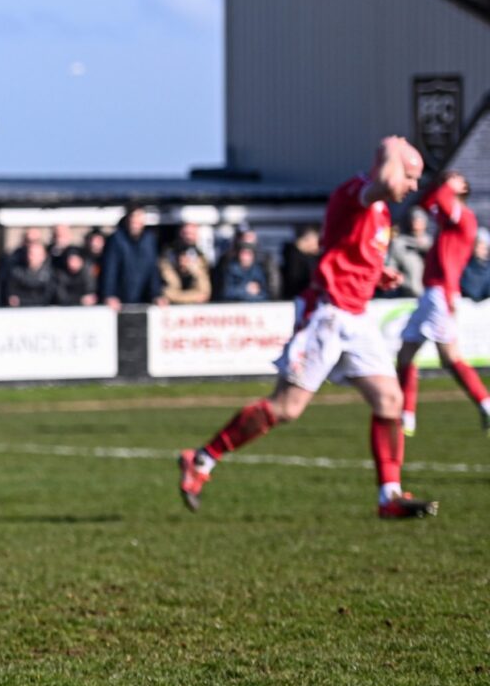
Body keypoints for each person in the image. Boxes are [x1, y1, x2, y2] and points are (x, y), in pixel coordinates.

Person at [179, 138, 435, 521]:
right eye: (411, 177)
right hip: (327, 315)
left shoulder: (381, 212)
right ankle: (201, 459)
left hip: (357, 315)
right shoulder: (357, 193)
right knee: (286, 408)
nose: (413, 186)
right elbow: (382, 184)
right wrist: (391, 150)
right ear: (391, 169)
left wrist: (377, 273)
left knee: (390, 401)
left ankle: (389, 496)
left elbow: (345, 248)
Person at [396, 171, 490, 438]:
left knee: (449, 357)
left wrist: (447, 184)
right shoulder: (449, 217)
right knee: (405, 355)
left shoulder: (464, 217)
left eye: (458, 180)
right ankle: (407, 416)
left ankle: (486, 403)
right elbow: (424, 204)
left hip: (441, 293)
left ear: (462, 192)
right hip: (431, 292)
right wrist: (437, 183)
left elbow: (441, 198)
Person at [100, 205, 162, 307]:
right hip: (121, 297)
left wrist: (156, 294)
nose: (135, 222)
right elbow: (110, 268)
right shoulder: (116, 239)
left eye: (139, 218)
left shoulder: (149, 240)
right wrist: (109, 294)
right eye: (133, 218)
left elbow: (153, 269)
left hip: (143, 297)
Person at [0, 235, 57, 307]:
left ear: (43, 256)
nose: (31, 257)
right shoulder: (16, 273)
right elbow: (12, 297)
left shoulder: (50, 275)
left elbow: (49, 298)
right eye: (30, 253)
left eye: (35, 254)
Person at [387, 206, 429, 297]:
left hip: (427, 294)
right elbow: (391, 266)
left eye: (419, 220)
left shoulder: (432, 244)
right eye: (414, 220)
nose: (416, 223)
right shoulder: (399, 243)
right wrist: (399, 279)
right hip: (405, 293)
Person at [215, 237, 273, 302]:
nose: (244, 257)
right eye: (242, 253)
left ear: (253, 256)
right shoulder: (230, 269)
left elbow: (265, 294)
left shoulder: (257, 270)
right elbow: (226, 292)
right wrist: (246, 289)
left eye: (248, 254)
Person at [160, 238, 211, 305]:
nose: (183, 261)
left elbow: (204, 294)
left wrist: (196, 272)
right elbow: (167, 293)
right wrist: (194, 297)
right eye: (180, 256)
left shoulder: (199, 269)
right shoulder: (167, 268)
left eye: (186, 257)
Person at [280, 225, 321, 302]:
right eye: (316, 239)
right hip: (296, 299)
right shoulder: (293, 256)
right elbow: (295, 279)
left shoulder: (316, 257)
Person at [465, 230, 490, 302]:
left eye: (483, 246)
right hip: (467, 304)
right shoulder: (465, 266)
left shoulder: (488, 269)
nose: (479, 249)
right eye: (477, 245)